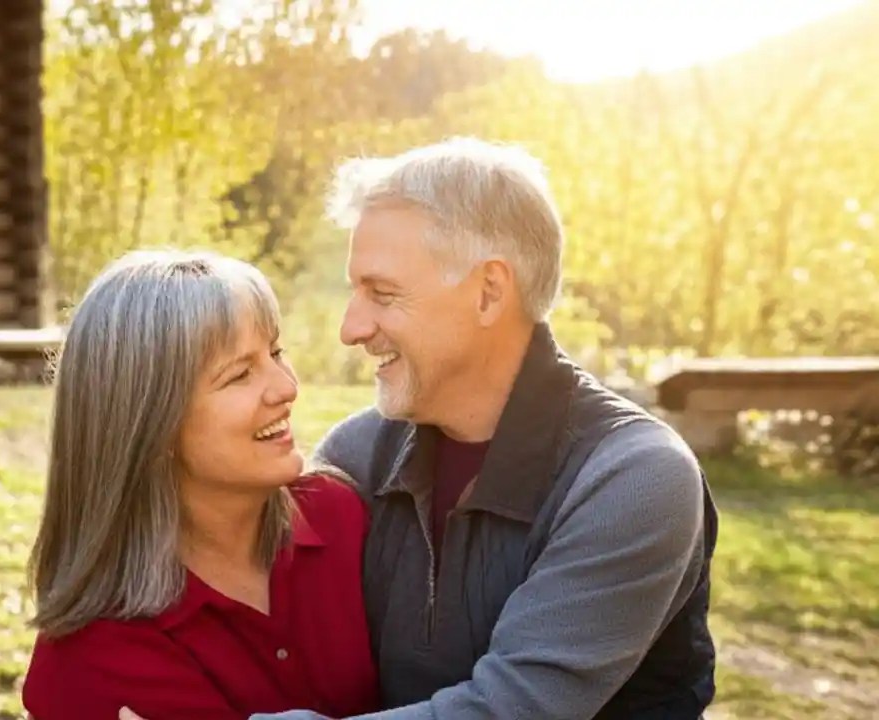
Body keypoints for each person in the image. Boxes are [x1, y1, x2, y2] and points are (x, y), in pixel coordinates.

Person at [124, 137, 719, 720]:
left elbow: (514, 708)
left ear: (489, 292)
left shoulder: (635, 478)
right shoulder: (357, 459)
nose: (351, 328)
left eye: (381, 294)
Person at [20, 250, 380, 720]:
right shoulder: (92, 661)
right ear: (152, 424)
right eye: (240, 374)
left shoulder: (343, 516)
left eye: (275, 353)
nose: (286, 387)